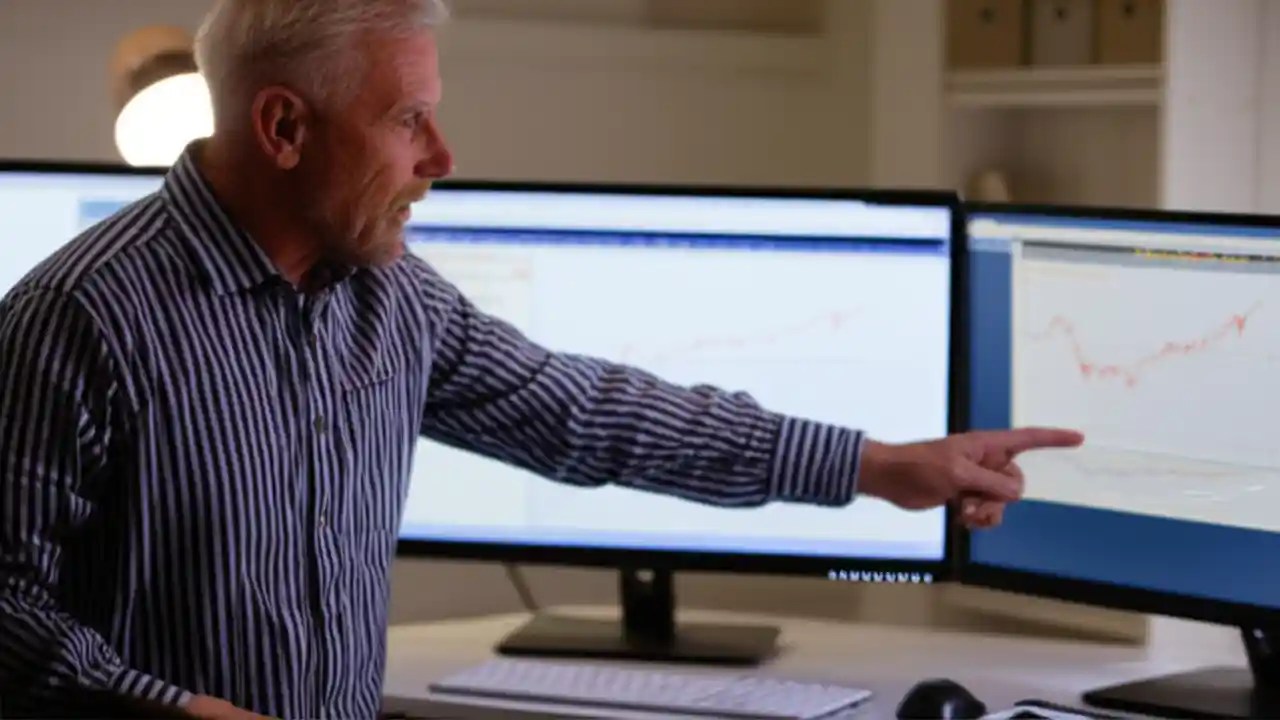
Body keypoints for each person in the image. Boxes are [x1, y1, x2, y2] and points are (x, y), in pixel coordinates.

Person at [0, 1, 1083, 718]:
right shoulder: (79, 318)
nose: (442, 158)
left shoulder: (390, 302)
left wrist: (877, 466)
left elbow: (592, 415)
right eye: (409, 120)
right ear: (284, 127)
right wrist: (174, 712)